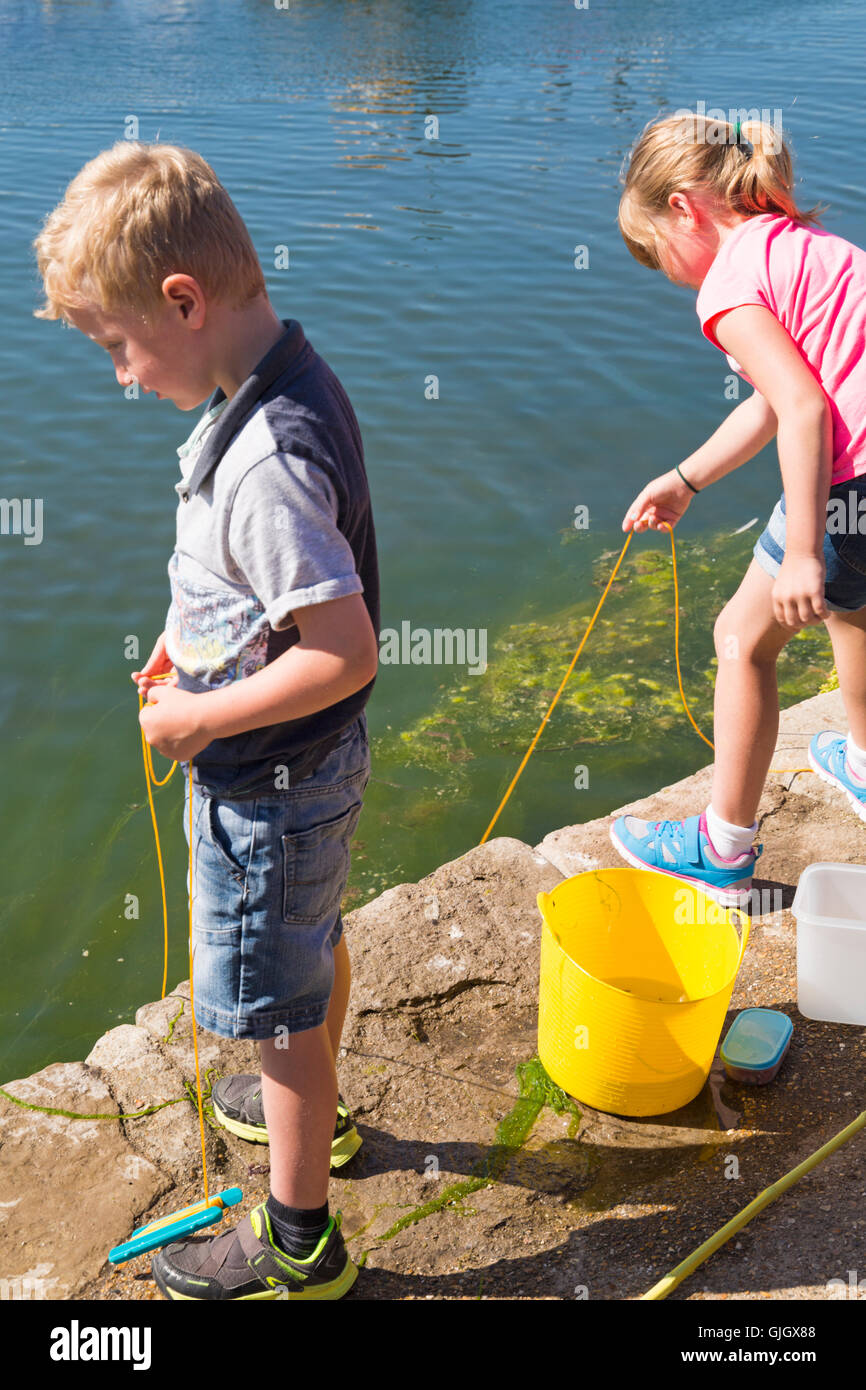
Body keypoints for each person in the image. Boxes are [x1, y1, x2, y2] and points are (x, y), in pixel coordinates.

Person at [32, 140, 379, 1300]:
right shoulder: (276, 380)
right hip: (307, 770)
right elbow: (261, 587)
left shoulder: (269, 455)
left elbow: (340, 648)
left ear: (183, 301)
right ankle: (313, 1120)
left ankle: (297, 1241)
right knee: (310, 944)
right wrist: (192, 643)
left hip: (266, 786)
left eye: (120, 347)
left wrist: (199, 715)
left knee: (274, 1012)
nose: (122, 376)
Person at [609, 110, 866, 909]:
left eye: (656, 254)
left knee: (742, 639)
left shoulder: (727, 282)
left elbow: (802, 410)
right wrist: (687, 478)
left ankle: (721, 849)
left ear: (686, 206)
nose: (668, 274)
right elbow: (785, 395)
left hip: (853, 479)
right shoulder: (795, 242)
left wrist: (801, 550)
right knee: (853, 613)